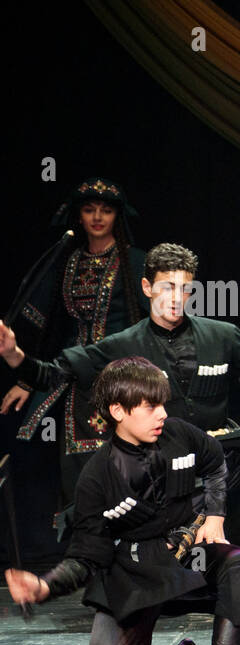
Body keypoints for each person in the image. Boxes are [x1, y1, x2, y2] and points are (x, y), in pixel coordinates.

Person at [0, 243, 240, 617]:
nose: (176, 298)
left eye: (185, 289)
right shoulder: (122, 346)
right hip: (168, 475)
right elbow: (52, 374)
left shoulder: (221, 336)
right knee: (117, 531)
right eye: (166, 287)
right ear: (146, 288)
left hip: (224, 460)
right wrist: (13, 354)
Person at [4, 357, 240, 645]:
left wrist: (216, 514)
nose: (161, 414)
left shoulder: (179, 434)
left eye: (162, 404)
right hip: (134, 574)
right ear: (118, 411)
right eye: (149, 407)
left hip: (187, 556)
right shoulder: (97, 478)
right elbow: (87, 555)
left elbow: (215, 459)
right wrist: (45, 587)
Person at [1, 178, 147, 533]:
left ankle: (132, 545)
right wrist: (26, 376)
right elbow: (46, 330)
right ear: (78, 216)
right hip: (74, 378)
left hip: (122, 376)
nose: (97, 217)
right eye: (89, 209)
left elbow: (154, 324)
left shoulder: (135, 262)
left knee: (126, 459)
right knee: (78, 459)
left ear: (117, 216)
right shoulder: (65, 263)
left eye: (106, 210)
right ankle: (86, 545)